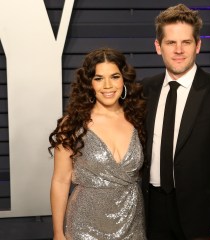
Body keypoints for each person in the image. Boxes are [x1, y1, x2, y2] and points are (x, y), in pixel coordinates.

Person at [142, 4, 210, 240]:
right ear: (158, 47)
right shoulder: (145, 89)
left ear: (198, 45)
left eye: (186, 42)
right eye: (170, 43)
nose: (178, 50)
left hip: (203, 217)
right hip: (151, 213)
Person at [49, 48, 146, 240]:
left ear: (123, 80)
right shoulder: (72, 124)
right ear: (89, 84)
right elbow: (60, 181)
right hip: (84, 225)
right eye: (99, 78)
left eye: (115, 76)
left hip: (132, 223)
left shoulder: (139, 118)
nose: (108, 85)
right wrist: (58, 233)